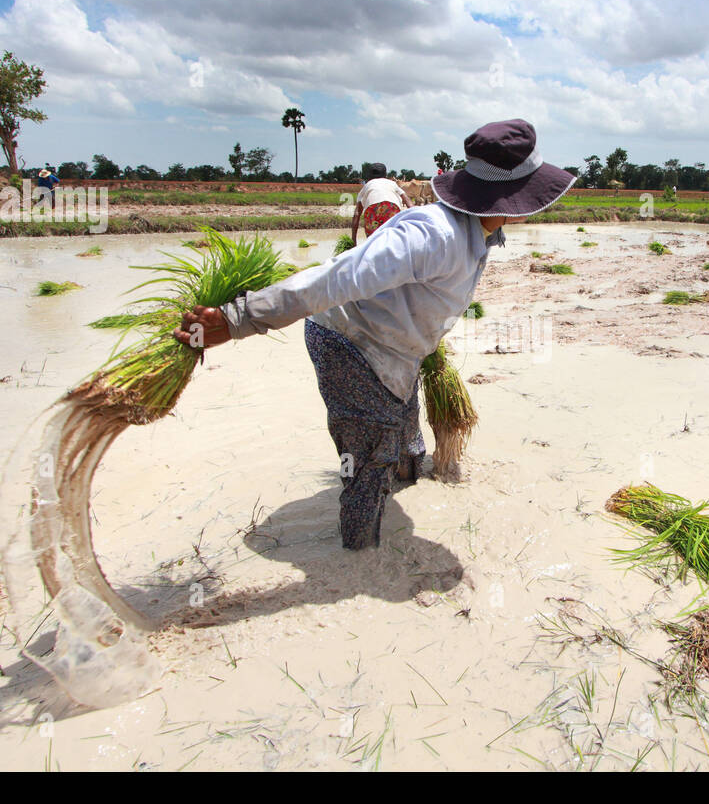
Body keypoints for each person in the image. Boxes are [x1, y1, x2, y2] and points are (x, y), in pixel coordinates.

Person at [174, 119, 576, 550]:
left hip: (395, 352)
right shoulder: (429, 234)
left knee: (406, 440)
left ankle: (404, 478)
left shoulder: (482, 231)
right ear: (515, 196)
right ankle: (358, 560)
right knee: (370, 462)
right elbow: (335, 278)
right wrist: (239, 319)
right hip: (351, 345)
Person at [350, 164, 407, 245]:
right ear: (385, 175)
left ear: (370, 176)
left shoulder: (367, 185)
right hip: (392, 209)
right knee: (394, 242)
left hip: (372, 211)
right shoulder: (392, 183)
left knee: (373, 244)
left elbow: (357, 214)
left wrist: (353, 241)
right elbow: (408, 202)